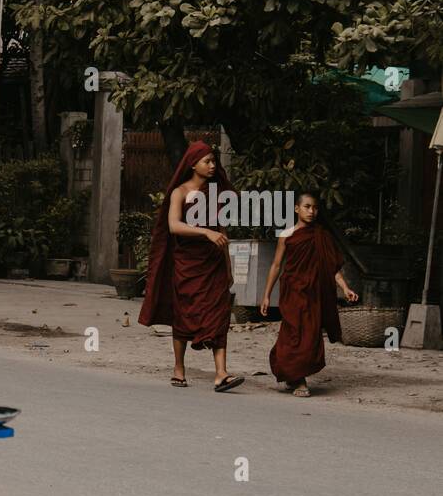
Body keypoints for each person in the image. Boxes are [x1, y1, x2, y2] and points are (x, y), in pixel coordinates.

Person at [138, 140, 244, 392]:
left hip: (214, 263)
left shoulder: (216, 192)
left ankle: (221, 373)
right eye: (207, 161)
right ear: (192, 164)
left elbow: (222, 231)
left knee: (219, 315)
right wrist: (205, 232)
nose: (212, 165)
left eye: (213, 161)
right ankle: (179, 368)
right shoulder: (180, 192)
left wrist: (228, 268)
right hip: (187, 263)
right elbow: (174, 226)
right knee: (183, 315)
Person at [260, 192, 358, 397]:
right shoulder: (286, 235)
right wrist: (267, 295)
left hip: (314, 294)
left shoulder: (321, 236)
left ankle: (296, 375)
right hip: (293, 291)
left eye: (314, 207)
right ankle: (297, 378)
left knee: (310, 334)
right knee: (293, 332)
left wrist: (345, 287)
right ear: (297, 209)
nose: (311, 211)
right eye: (307, 207)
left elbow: (331, 268)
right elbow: (276, 266)